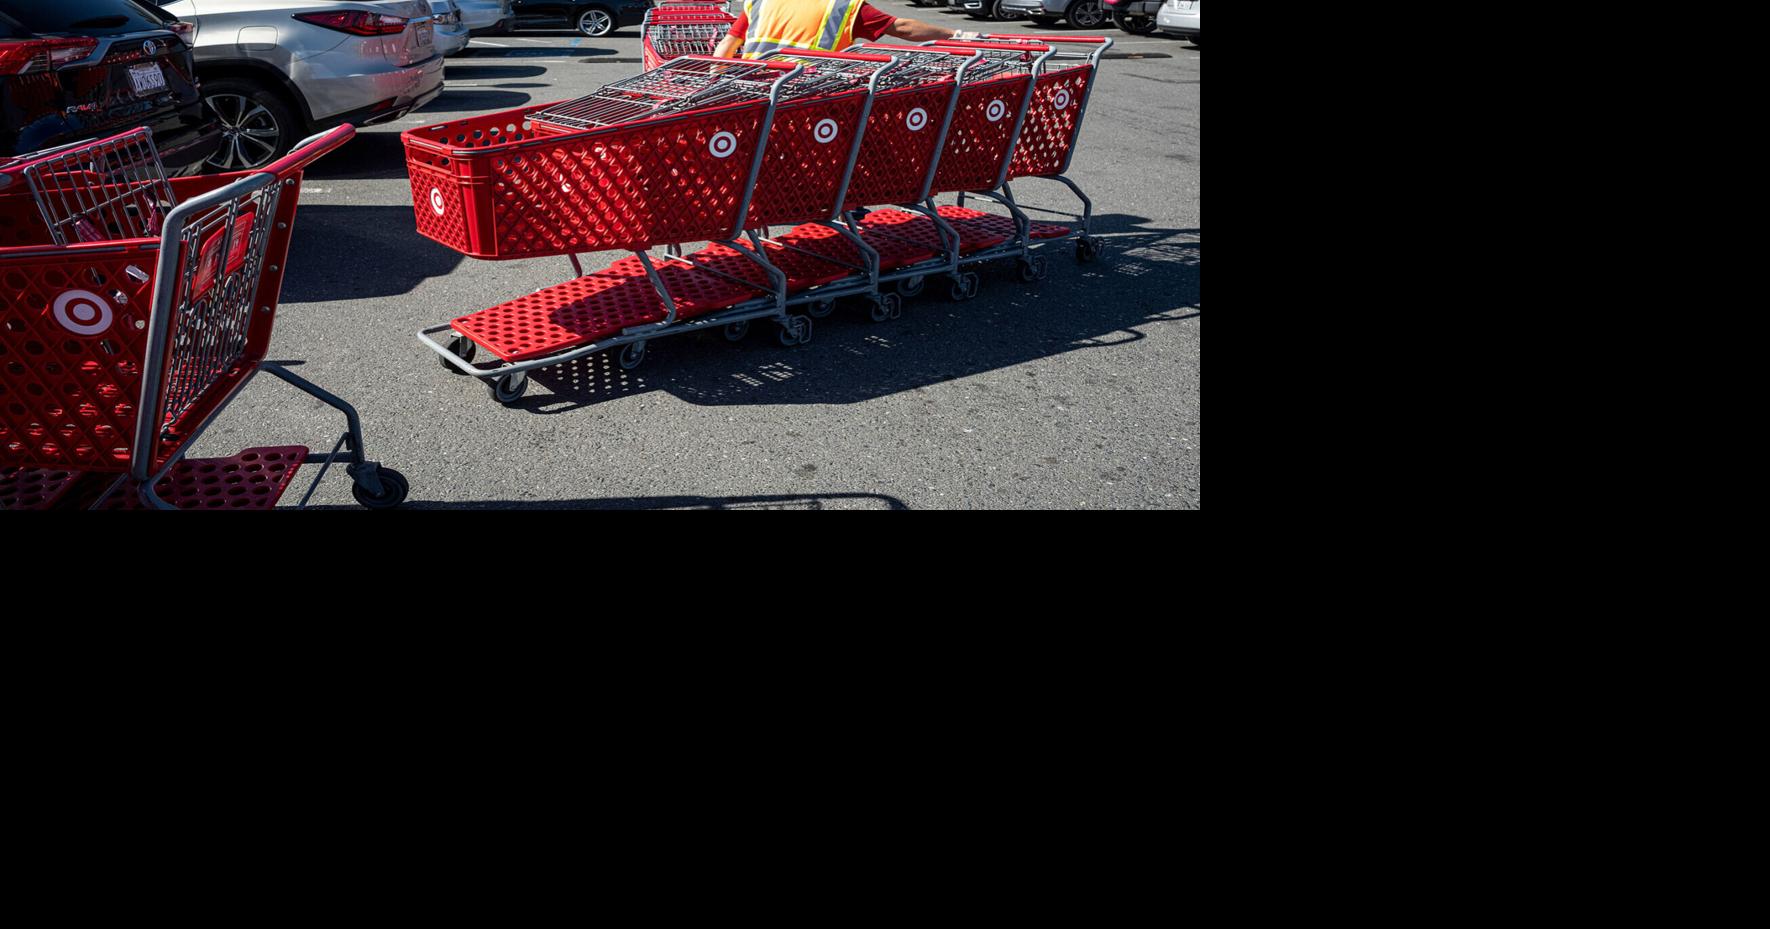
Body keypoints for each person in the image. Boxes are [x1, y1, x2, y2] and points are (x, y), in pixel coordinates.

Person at [711, 0, 981, 60]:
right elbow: (903, 27)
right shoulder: (842, 6)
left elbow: (727, 44)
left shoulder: (761, 0)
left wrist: (718, 83)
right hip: (812, 96)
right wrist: (954, 35)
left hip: (755, 94)